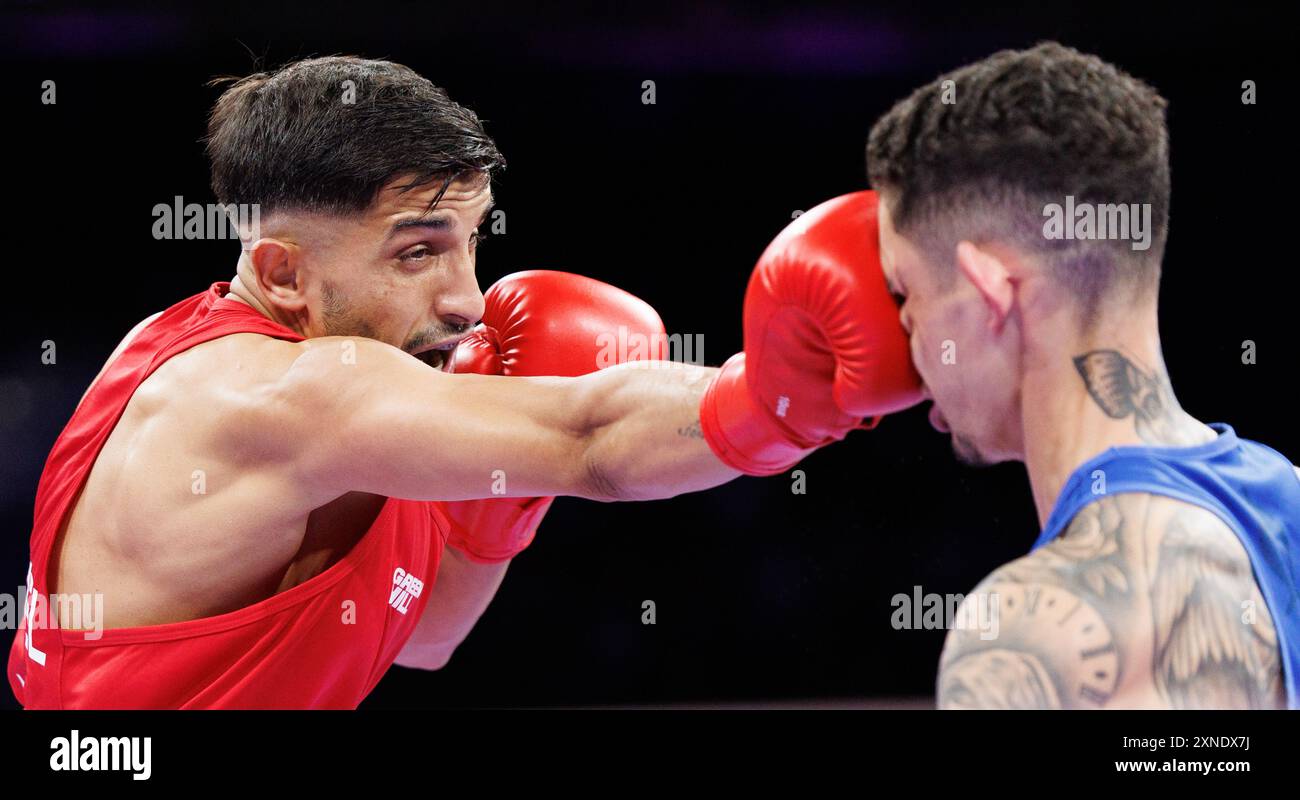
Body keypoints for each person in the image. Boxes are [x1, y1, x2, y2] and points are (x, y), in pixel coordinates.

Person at [8, 56, 921, 708]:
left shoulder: (291, 382)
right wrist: (789, 399)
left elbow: (429, 638)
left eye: (471, 243)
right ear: (283, 273)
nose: (469, 302)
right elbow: (591, 441)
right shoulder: (281, 395)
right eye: (416, 253)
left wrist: (499, 501)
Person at [867, 42, 1300, 708]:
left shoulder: (1032, 633)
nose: (903, 341)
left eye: (904, 295)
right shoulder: (1288, 499)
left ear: (991, 293)